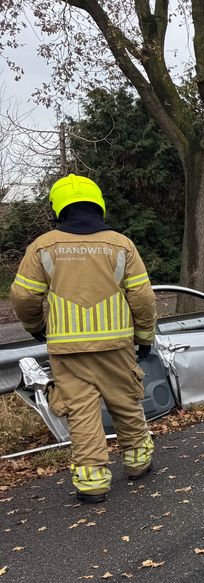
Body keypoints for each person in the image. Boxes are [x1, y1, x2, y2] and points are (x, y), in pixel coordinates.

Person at [9, 174, 158, 503]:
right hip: (117, 346)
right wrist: (144, 336)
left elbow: (22, 296)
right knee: (125, 402)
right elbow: (143, 298)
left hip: (68, 350)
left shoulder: (42, 247)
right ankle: (137, 462)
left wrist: (37, 327)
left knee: (81, 412)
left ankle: (92, 483)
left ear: (58, 209)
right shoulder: (121, 245)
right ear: (98, 205)